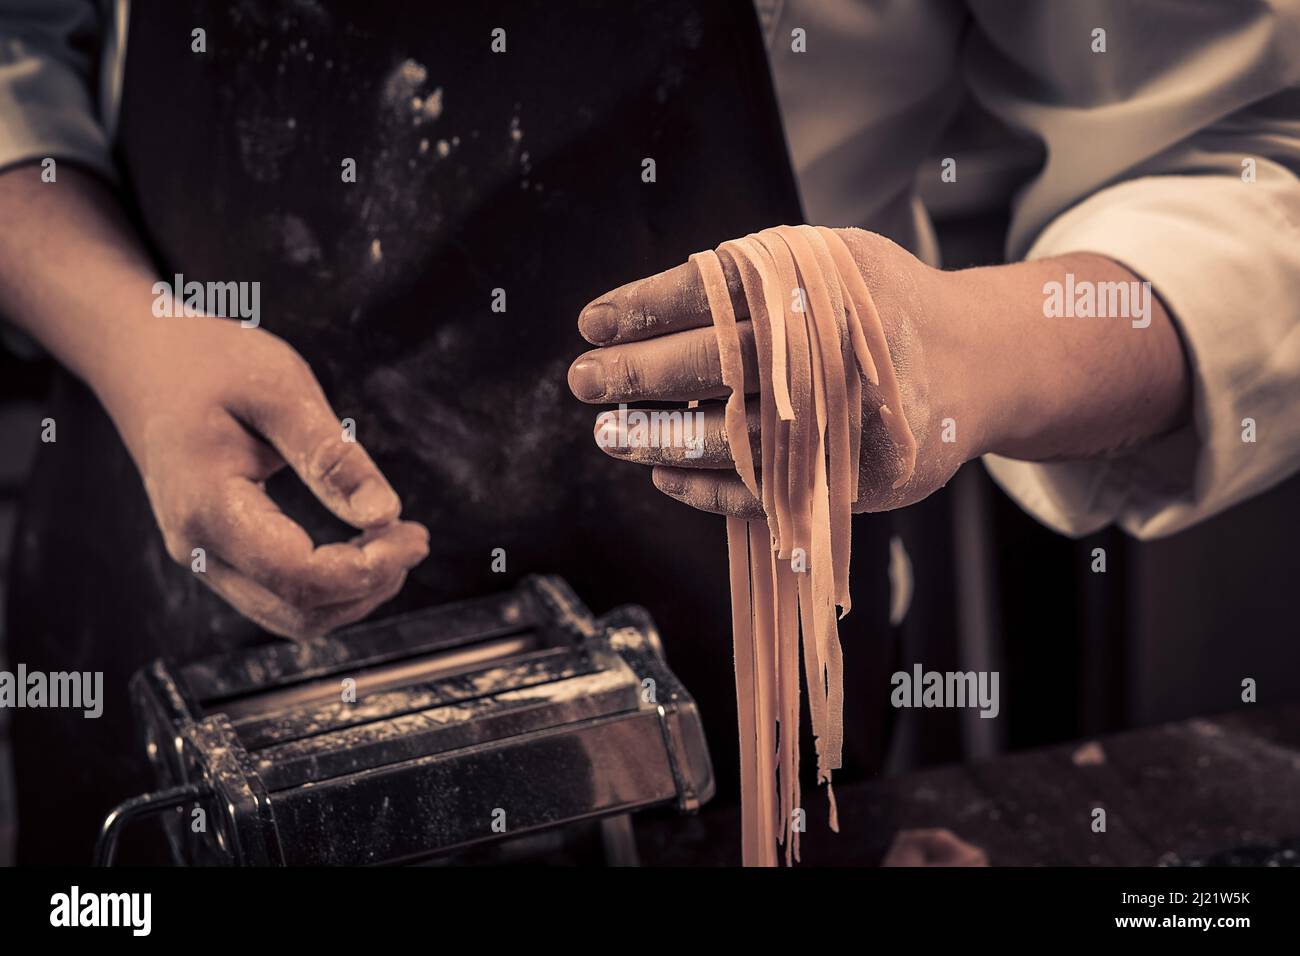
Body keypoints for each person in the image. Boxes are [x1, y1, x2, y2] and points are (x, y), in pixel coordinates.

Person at [2, 0, 1298, 864]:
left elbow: (1254, 161)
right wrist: (133, 336)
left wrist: (970, 353)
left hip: (743, 641)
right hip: (154, 573)